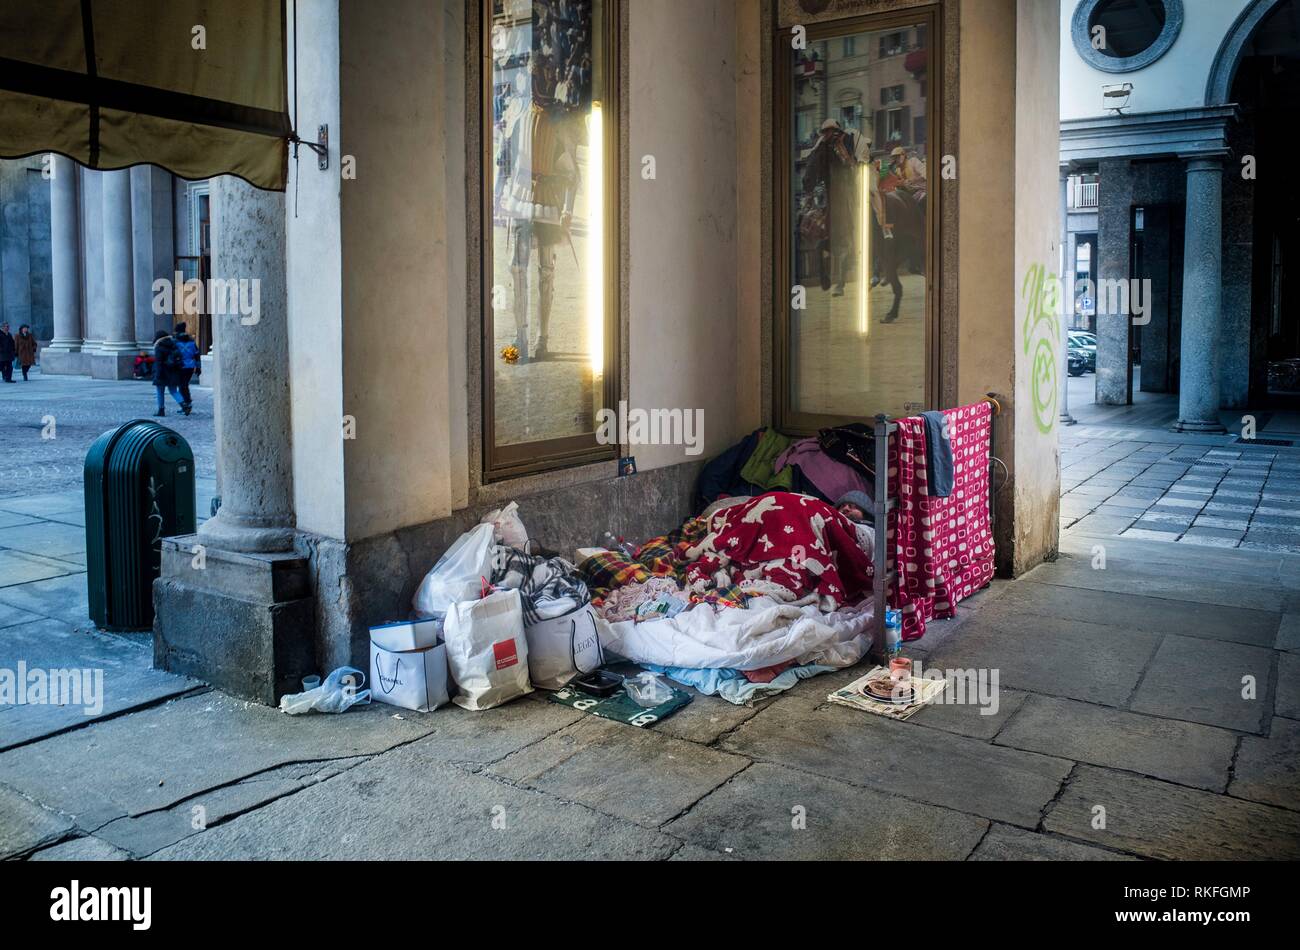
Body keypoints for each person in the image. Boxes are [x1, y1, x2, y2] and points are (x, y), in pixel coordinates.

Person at [151, 329, 186, 416]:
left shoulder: (159, 347)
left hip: (162, 373)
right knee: (173, 390)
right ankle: (184, 404)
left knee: (160, 391)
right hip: (172, 372)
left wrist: (157, 375)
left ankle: (161, 410)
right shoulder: (173, 344)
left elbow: (159, 363)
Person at [173, 322, 200, 411]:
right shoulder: (191, 342)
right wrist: (198, 367)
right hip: (190, 365)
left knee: (182, 385)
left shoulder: (175, 341)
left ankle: (186, 403)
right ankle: (187, 402)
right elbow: (196, 355)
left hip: (180, 366)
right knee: (185, 385)